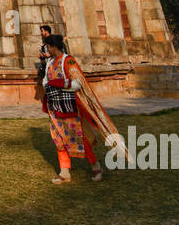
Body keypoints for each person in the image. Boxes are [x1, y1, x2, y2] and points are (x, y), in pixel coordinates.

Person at [41, 34, 122, 184]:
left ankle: (96, 166)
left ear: (54, 47)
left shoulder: (68, 61)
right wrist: (49, 86)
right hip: (54, 107)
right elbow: (45, 80)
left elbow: (78, 83)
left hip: (68, 107)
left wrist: (58, 84)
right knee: (58, 139)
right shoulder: (50, 62)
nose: (47, 50)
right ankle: (64, 172)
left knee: (79, 138)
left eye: (48, 47)